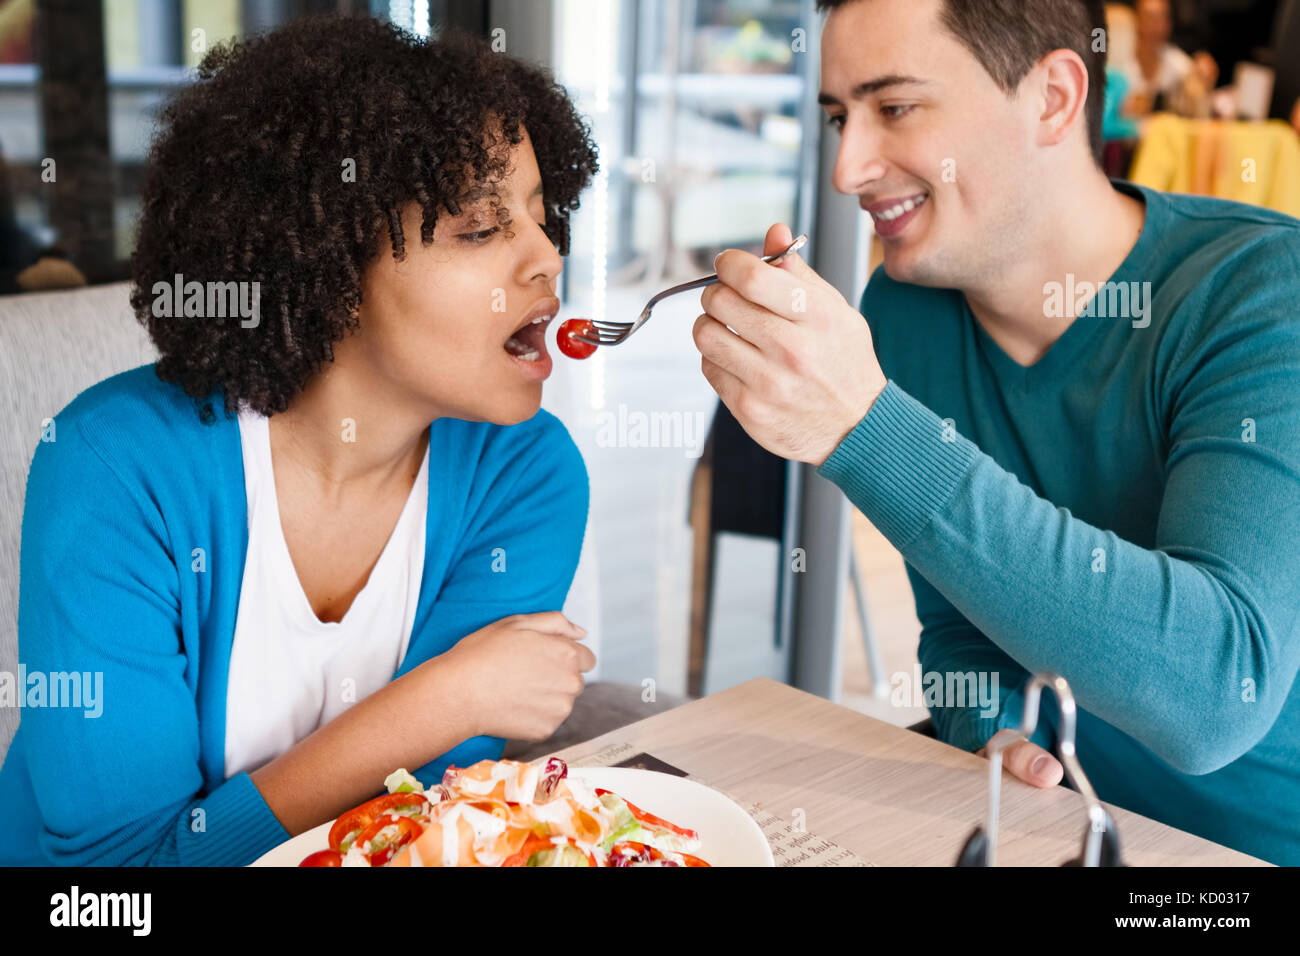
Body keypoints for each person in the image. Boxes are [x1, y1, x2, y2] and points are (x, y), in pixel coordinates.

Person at [692, 0, 1300, 865]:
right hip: (1061, 835)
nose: (848, 167)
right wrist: (988, 726)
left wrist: (864, 428)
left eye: (893, 107)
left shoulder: (1261, 293)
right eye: (837, 117)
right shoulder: (907, 313)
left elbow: (1218, 693)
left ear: (1052, 96)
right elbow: (960, 626)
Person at [0, 16, 604, 865]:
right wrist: (450, 697)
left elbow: (419, 822)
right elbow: (117, 882)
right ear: (327, 269)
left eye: (544, 220)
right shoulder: (112, 470)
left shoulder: (527, 474)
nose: (548, 258)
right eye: (479, 228)